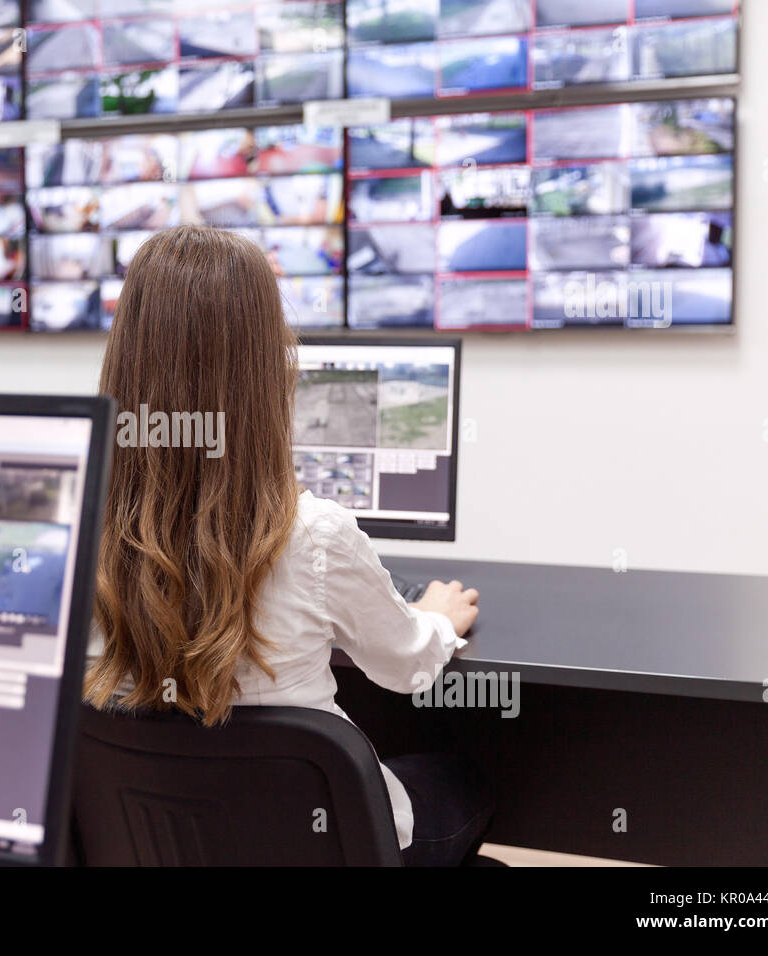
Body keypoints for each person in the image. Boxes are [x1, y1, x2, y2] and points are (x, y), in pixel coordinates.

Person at [85, 225, 491, 866]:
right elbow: (404, 666)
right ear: (267, 365)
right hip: (323, 845)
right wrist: (437, 622)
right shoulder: (314, 536)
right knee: (466, 780)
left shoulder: (80, 538)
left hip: (164, 844)